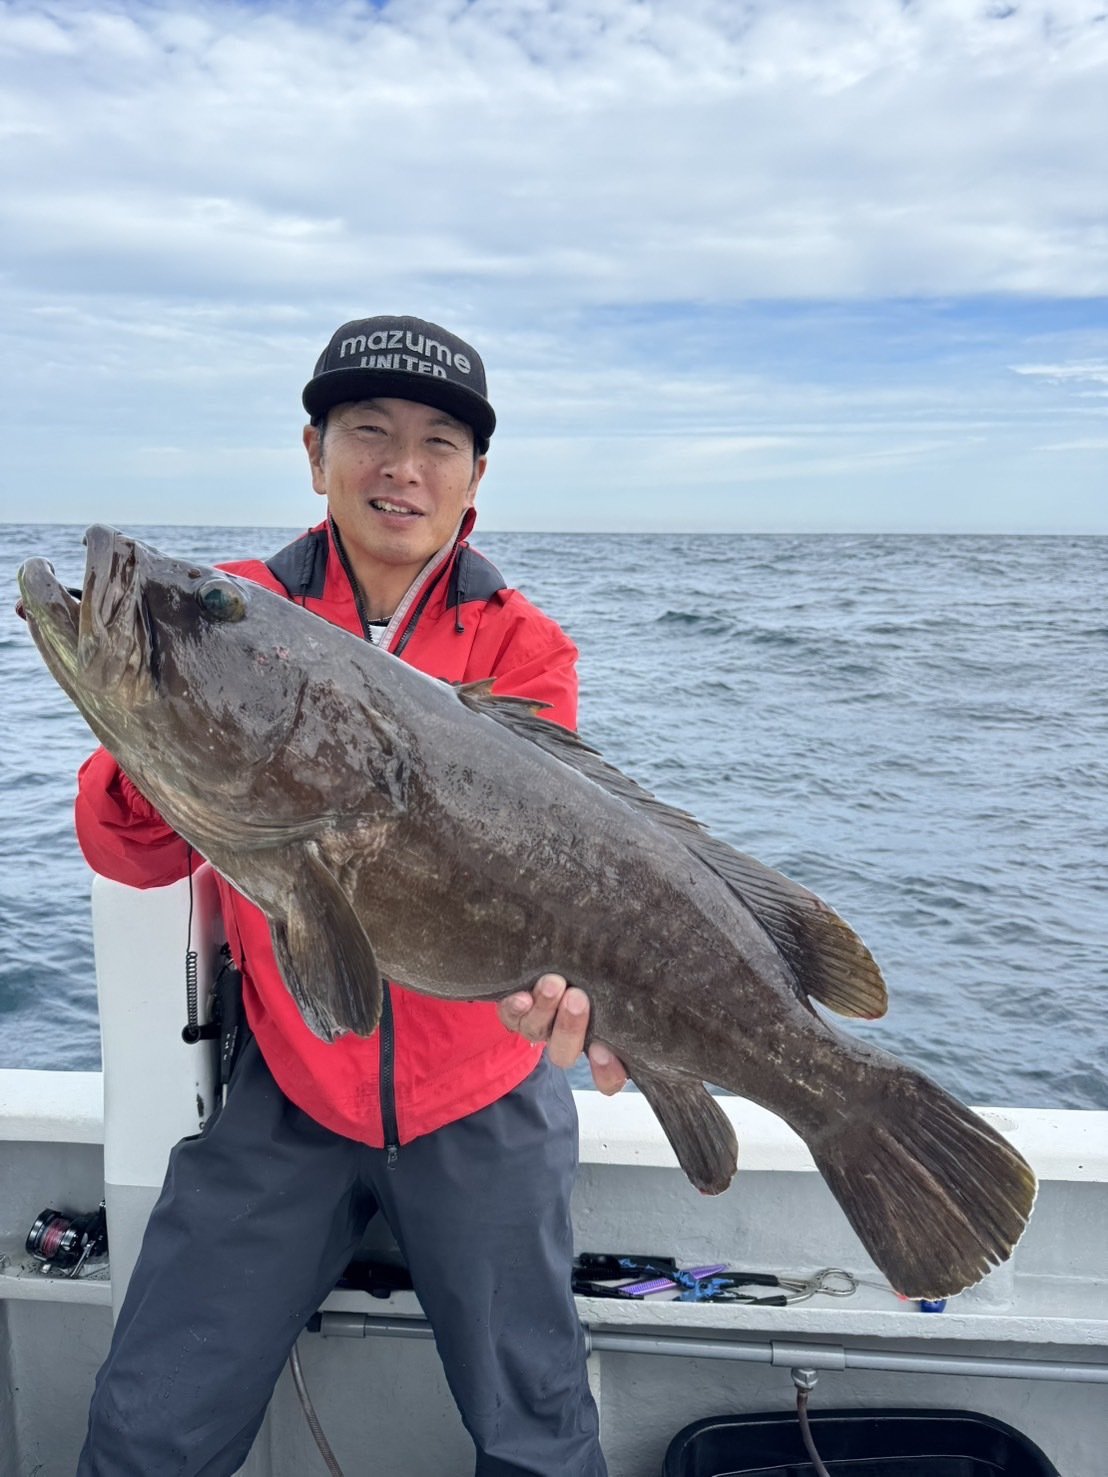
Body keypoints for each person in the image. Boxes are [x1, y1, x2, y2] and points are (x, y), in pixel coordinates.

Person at [73, 314, 627, 1477]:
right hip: (290, 1086)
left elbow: (551, 871)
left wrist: (575, 999)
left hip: (486, 1086)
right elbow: (131, 852)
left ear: (476, 475)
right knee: (147, 1425)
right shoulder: (228, 606)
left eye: (437, 441)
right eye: (366, 431)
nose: (400, 466)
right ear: (315, 452)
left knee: (540, 1431)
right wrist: (149, 730)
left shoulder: (525, 644)